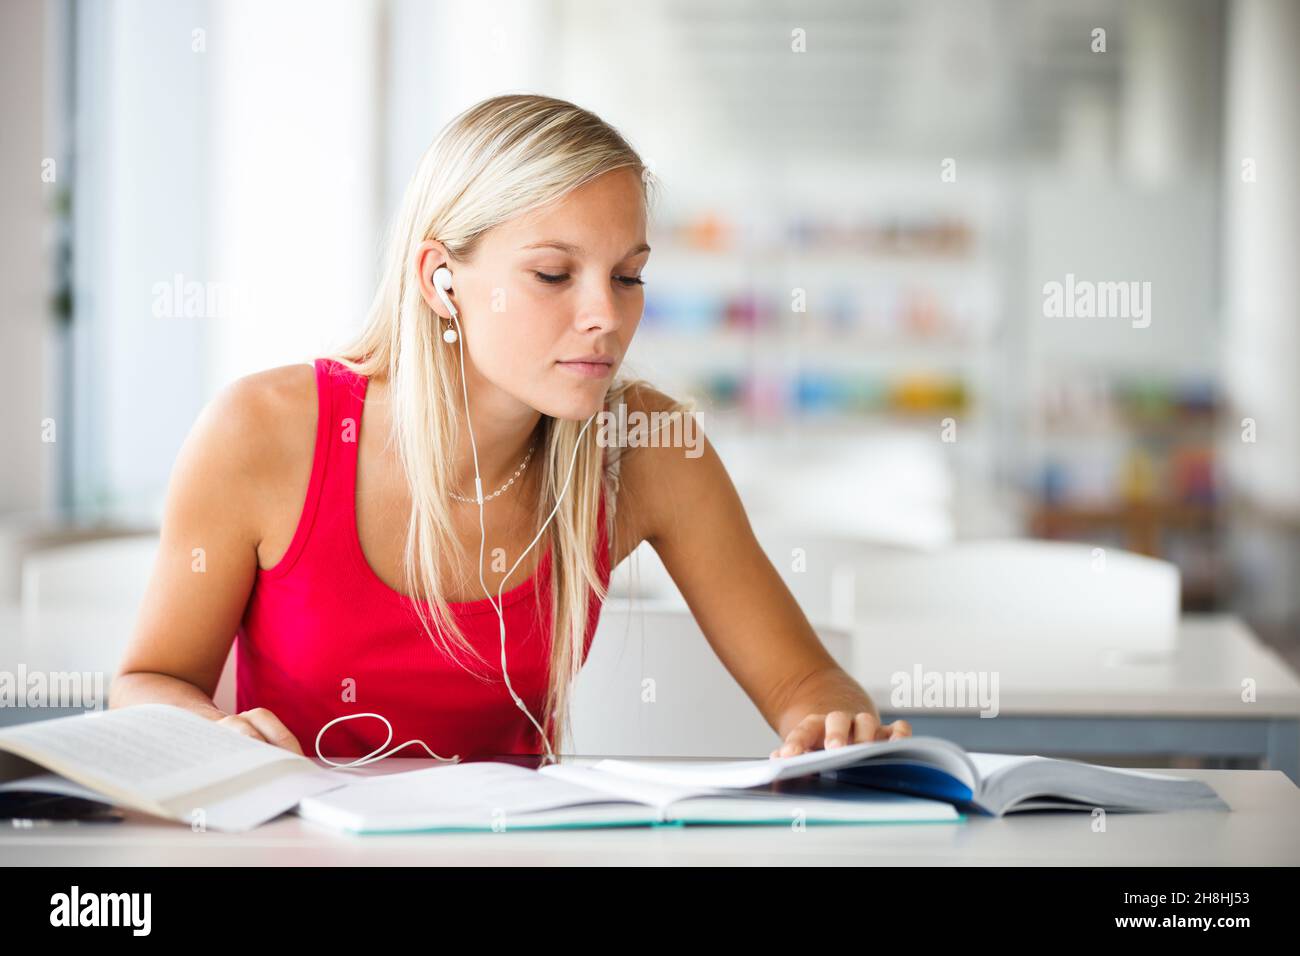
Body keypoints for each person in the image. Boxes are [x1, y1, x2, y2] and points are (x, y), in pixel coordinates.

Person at [110, 93, 910, 764]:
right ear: (441, 278)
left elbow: (808, 686)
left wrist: (833, 725)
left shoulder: (649, 449)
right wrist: (217, 734)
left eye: (628, 276)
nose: (606, 316)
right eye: (554, 275)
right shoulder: (261, 432)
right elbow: (146, 681)